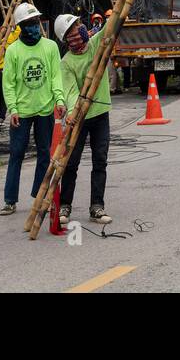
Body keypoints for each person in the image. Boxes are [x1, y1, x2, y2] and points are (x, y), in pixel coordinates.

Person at [0, 3, 64, 217]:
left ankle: (39, 193)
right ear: (20, 27)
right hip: (22, 112)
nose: (34, 27)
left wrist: (60, 100)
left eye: (35, 22)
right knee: (16, 154)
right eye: (28, 24)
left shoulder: (50, 47)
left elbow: (56, 76)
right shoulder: (13, 51)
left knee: (44, 153)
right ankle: (10, 200)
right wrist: (13, 109)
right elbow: (8, 83)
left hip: (45, 110)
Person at [56, 14, 113, 225]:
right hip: (79, 117)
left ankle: (97, 207)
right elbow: (70, 91)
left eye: (79, 26)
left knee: (100, 160)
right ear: (68, 39)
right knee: (71, 163)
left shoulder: (96, 43)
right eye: (73, 31)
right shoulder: (67, 62)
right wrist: (72, 112)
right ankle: (65, 206)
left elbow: (111, 26)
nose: (79, 31)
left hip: (100, 113)